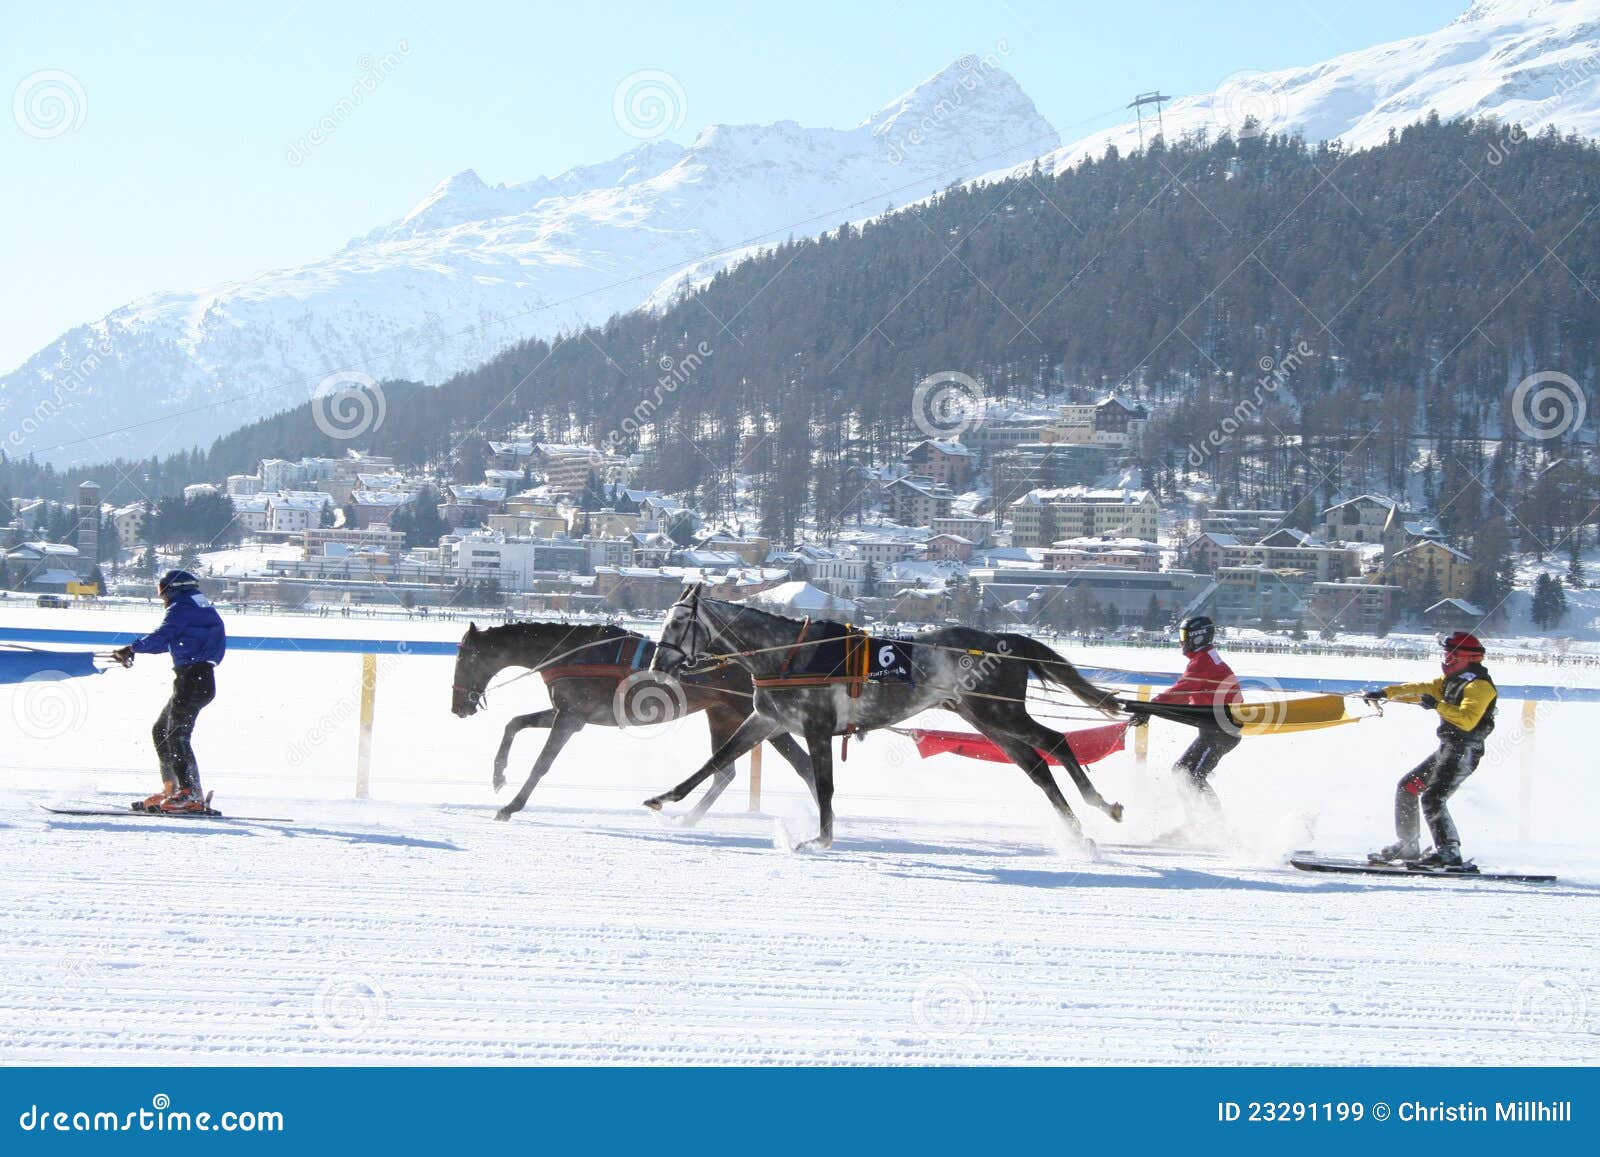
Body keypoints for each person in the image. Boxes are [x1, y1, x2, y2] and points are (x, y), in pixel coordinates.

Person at [1362, 631, 1496, 868]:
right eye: (1445, 654)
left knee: (1434, 798)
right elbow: (1419, 689)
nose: (1445, 658)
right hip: (1449, 749)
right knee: (1408, 787)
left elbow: (1467, 720)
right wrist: (1385, 693)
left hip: (1464, 751)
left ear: (1464, 657)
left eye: (1450, 654)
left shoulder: (1479, 686)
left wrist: (1437, 705)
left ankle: (1449, 853)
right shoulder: (1452, 681)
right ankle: (1408, 845)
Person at [110, 570, 227, 814]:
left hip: (193, 679)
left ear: (172, 589)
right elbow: (168, 642)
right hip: (195, 678)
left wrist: (132, 647)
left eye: (162, 592)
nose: (162, 599)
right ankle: (173, 791)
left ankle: (191, 796)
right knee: (162, 730)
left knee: (176, 735)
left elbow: (164, 635)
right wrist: (137, 650)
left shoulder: (182, 606)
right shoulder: (199, 604)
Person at [1151, 615, 1243, 832]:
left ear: (1197, 637)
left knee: (1193, 776)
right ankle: (1193, 823)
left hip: (1222, 731)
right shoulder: (1204, 658)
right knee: (1181, 772)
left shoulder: (1203, 662)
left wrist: (1152, 705)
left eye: (1184, 636)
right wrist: (1154, 707)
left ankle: (1216, 828)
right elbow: (1186, 694)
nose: (1181, 641)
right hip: (1212, 731)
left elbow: (1182, 690)